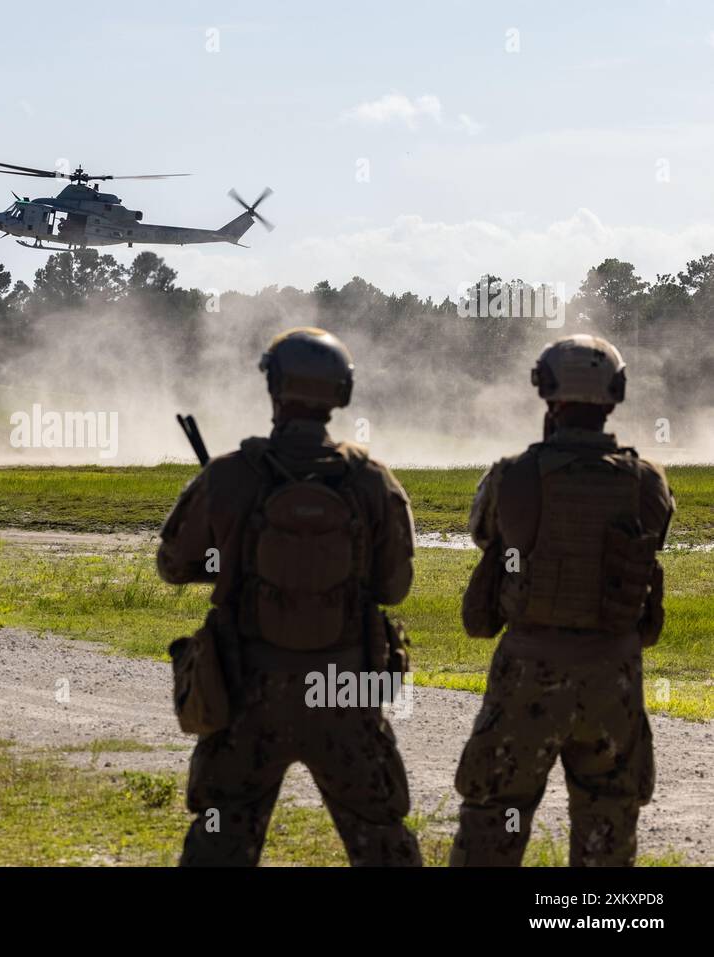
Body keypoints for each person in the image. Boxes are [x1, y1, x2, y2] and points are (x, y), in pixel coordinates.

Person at [158, 327, 421, 866]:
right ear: (340, 394)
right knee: (381, 838)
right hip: (345, 687)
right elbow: (394, 588)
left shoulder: (229, 474)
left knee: (221, 834)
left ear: (274, 387)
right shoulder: (371, 479)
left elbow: (172, 566)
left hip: (248, 685)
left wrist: (233, 562)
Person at [451, 334, 674, 867]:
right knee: (608, 822)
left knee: (494, 815)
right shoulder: (647, 482)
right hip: (612, 677)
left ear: (546, 391)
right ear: (615, 393)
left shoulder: (514, 475)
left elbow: (487, 535)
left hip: (528, 671)